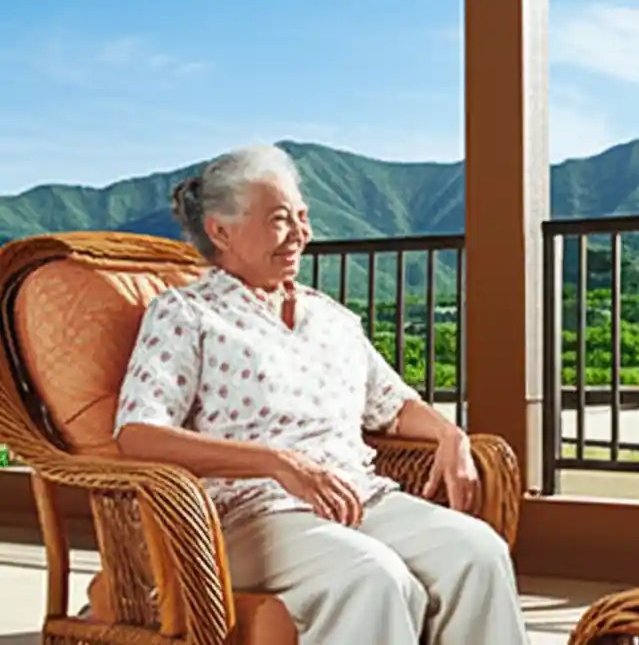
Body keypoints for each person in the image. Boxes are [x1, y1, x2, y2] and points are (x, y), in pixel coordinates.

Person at [113, 145, 529, 644]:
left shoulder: (331, 318)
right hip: (246, 515)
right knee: (373, 578)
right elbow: (138, 435)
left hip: (358, 497)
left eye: (302, 217)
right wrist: (278, 463)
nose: (300, 234)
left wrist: (449, 433)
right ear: (221, 230)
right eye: (280, 219)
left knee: (478, 554)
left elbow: (392, 405)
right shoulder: (186, 314)